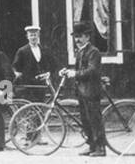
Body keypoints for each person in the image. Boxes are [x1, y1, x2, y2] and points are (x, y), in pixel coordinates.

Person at [61, 22, 108, 156]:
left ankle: (100, 148)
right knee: (85, 120)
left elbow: (92, 71)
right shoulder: (81, 52)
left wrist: (75, 74)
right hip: (82, 91)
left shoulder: (94, 52)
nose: (77, 40)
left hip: (92, 91)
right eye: (75, 37)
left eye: (80, 36)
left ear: (87, 37)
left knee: (94, 119)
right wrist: (68, 71)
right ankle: (91, 145)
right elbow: (80, 69)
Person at [12, 24, 57, 101]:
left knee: (41, 103)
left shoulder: (44, 49)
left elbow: (53, 64)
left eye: (35, 35)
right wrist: (17, 73)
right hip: (28, 84)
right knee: (30, 105)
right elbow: (15, 66)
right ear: (27, 36)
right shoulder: (22, 51)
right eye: (31, 35)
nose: (33, 37)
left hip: (41, 83)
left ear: (38, 36)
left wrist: (48, 73)